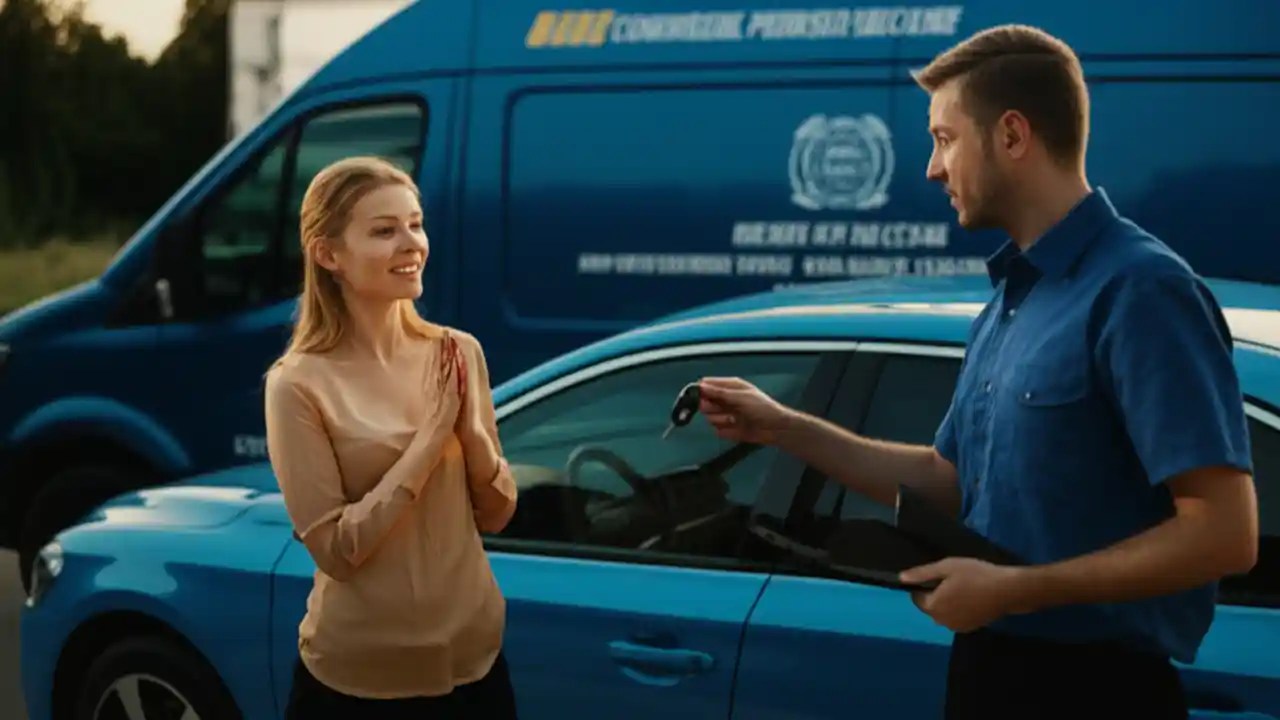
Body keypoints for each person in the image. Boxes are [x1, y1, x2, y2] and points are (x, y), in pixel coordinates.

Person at [698, 24, 1258, 720]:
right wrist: (781, 427)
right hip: (991, 673)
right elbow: (949, 479)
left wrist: (1011, 591)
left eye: (944, 138)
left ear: (1013, 136)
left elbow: (1224, 533)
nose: (933, 168)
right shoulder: (1008, 302)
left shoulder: (1141, 291)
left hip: (1097, 691)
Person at [263, 156, 520, 719]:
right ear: (329, 255)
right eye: (384, 230)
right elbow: (336, 552)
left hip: (475, 664)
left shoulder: (458, 352)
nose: (412, 243)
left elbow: (497, 513)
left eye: (415, 223)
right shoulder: (297, 384)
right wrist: (429, 443)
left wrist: (471, 434)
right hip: (357, 686)